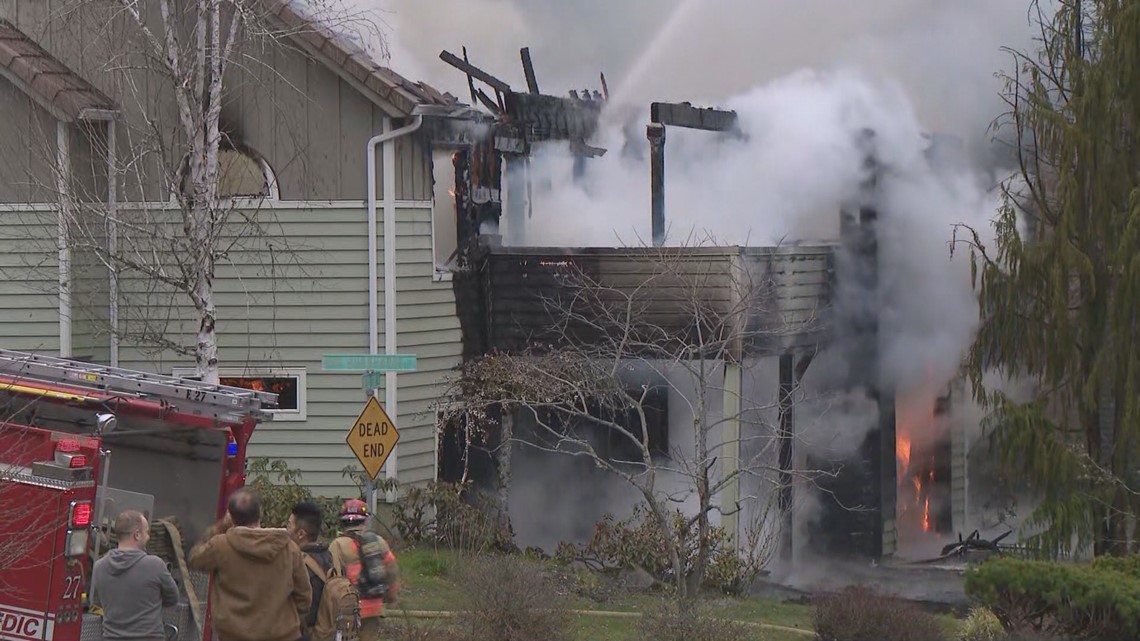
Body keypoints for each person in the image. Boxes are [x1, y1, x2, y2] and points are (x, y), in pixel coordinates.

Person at [189, 488, 311, 641]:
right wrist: (287, 623)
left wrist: (220, 526)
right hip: (282, 635)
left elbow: (195, 559)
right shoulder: (289, 548)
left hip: (234, 635)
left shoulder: (221, 546)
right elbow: (304, 595)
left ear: (231, 517)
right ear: (260, 513)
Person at [90, 511, 180, 641]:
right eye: (146, 532)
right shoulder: (155, 565)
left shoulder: (99, 567)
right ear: (137, 535)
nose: (148, 537)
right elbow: (173, 598)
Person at [329, 499, 398, 641]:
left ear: (343, 522)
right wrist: (391, 597)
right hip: (374, 605)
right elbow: (392, 570)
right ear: (365, 521)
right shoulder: (378, 542)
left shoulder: (337, 545)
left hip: (348, 608)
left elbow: (333, 578)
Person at [287, 501, 332, 637]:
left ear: (301, 534)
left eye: (289, 525)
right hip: (329, 632)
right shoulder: (331, 557)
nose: (285, 530)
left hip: (306, 633)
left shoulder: (297, 564)